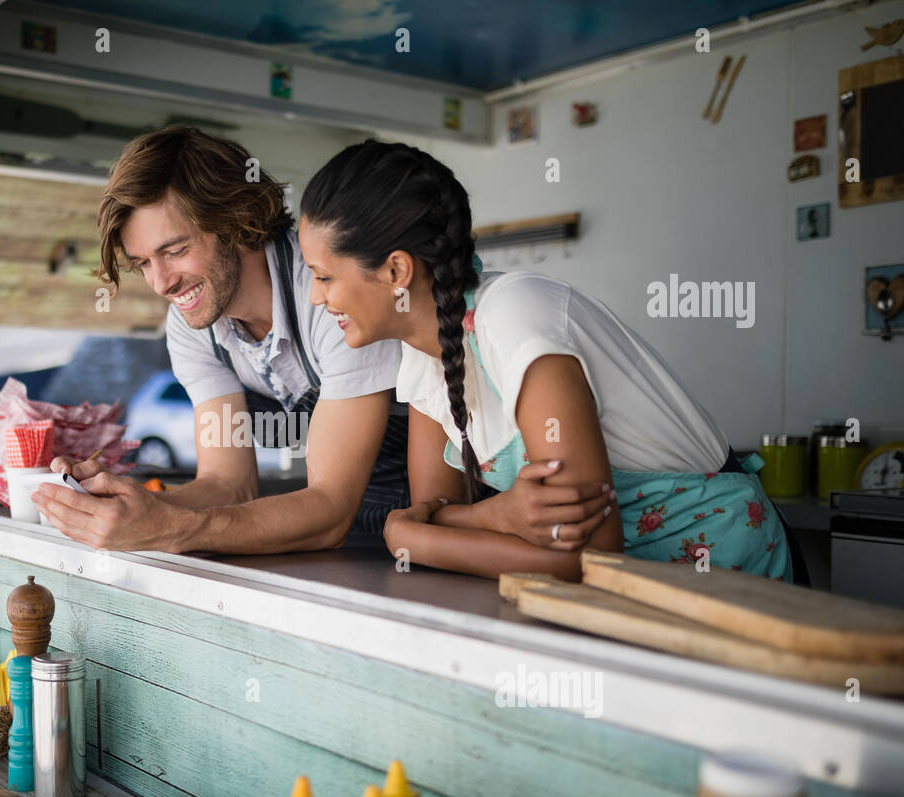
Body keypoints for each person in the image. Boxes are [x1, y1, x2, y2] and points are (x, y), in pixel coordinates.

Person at [296, 139, 801, 582]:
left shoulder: (517, 316)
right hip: (624, 597)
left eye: (323, 276)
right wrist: (494, 517)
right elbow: (440, 510)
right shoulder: (422, 355)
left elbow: (588, 555)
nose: (318, 299)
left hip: (726, 574)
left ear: (396, 270)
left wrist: (409, 538)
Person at [34, 126, 410, 554]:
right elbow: (227, 484)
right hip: (344, 543)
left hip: (429, 530)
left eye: (175, 251)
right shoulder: (195, 327)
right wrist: (130, 505)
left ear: (235, 220)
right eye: (143, 263)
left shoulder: (331, 295)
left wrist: (171, 529)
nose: (161, 283)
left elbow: (330, 509)